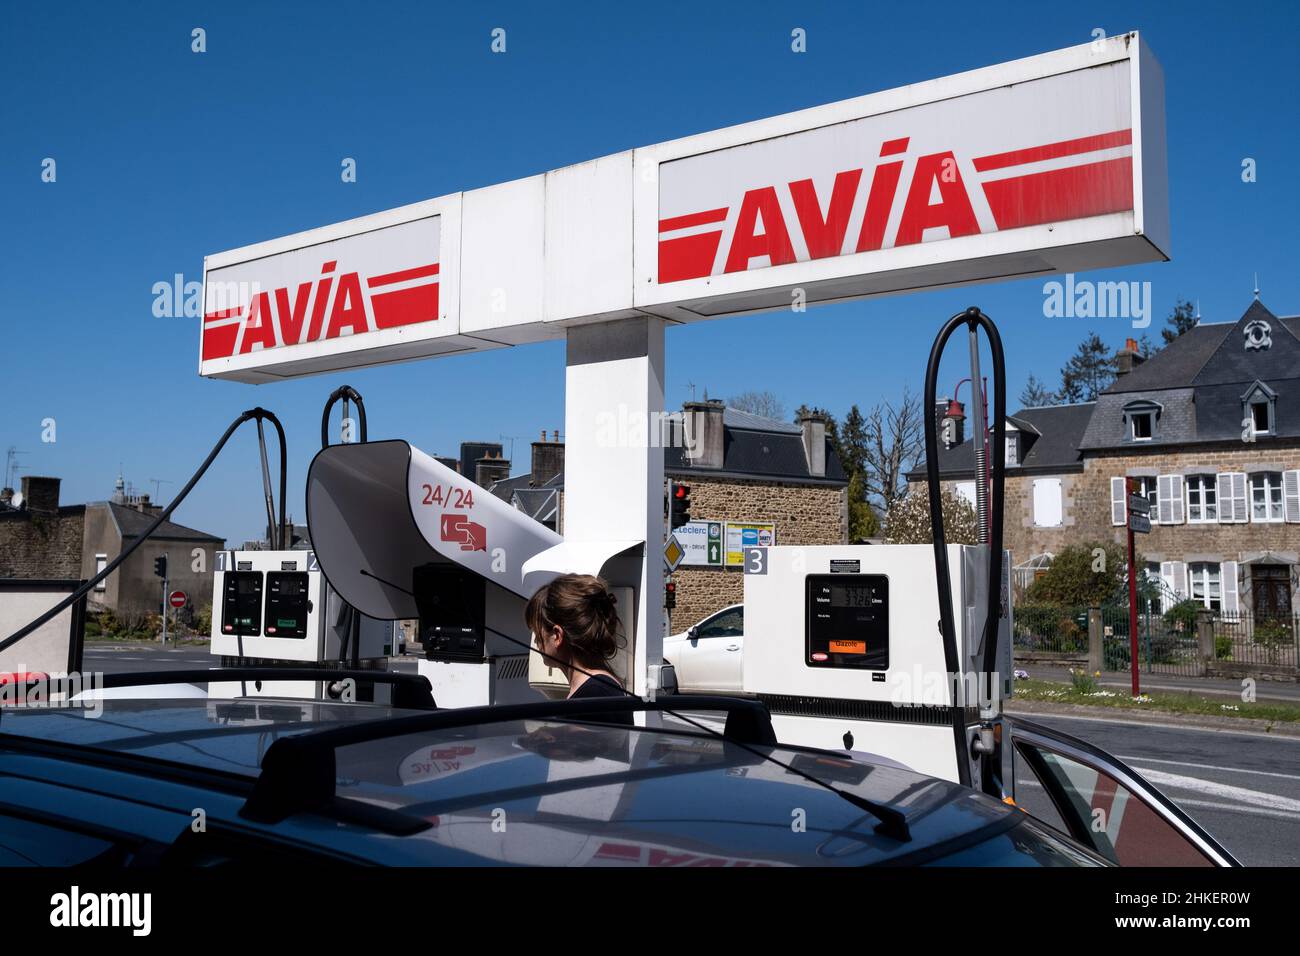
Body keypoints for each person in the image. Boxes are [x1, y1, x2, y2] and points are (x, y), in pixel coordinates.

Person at [525, 573, 631, 723]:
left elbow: (588, 737)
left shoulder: (594, 694)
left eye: (537, 632)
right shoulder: (596, 689)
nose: (536, 641)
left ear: (557, 635)